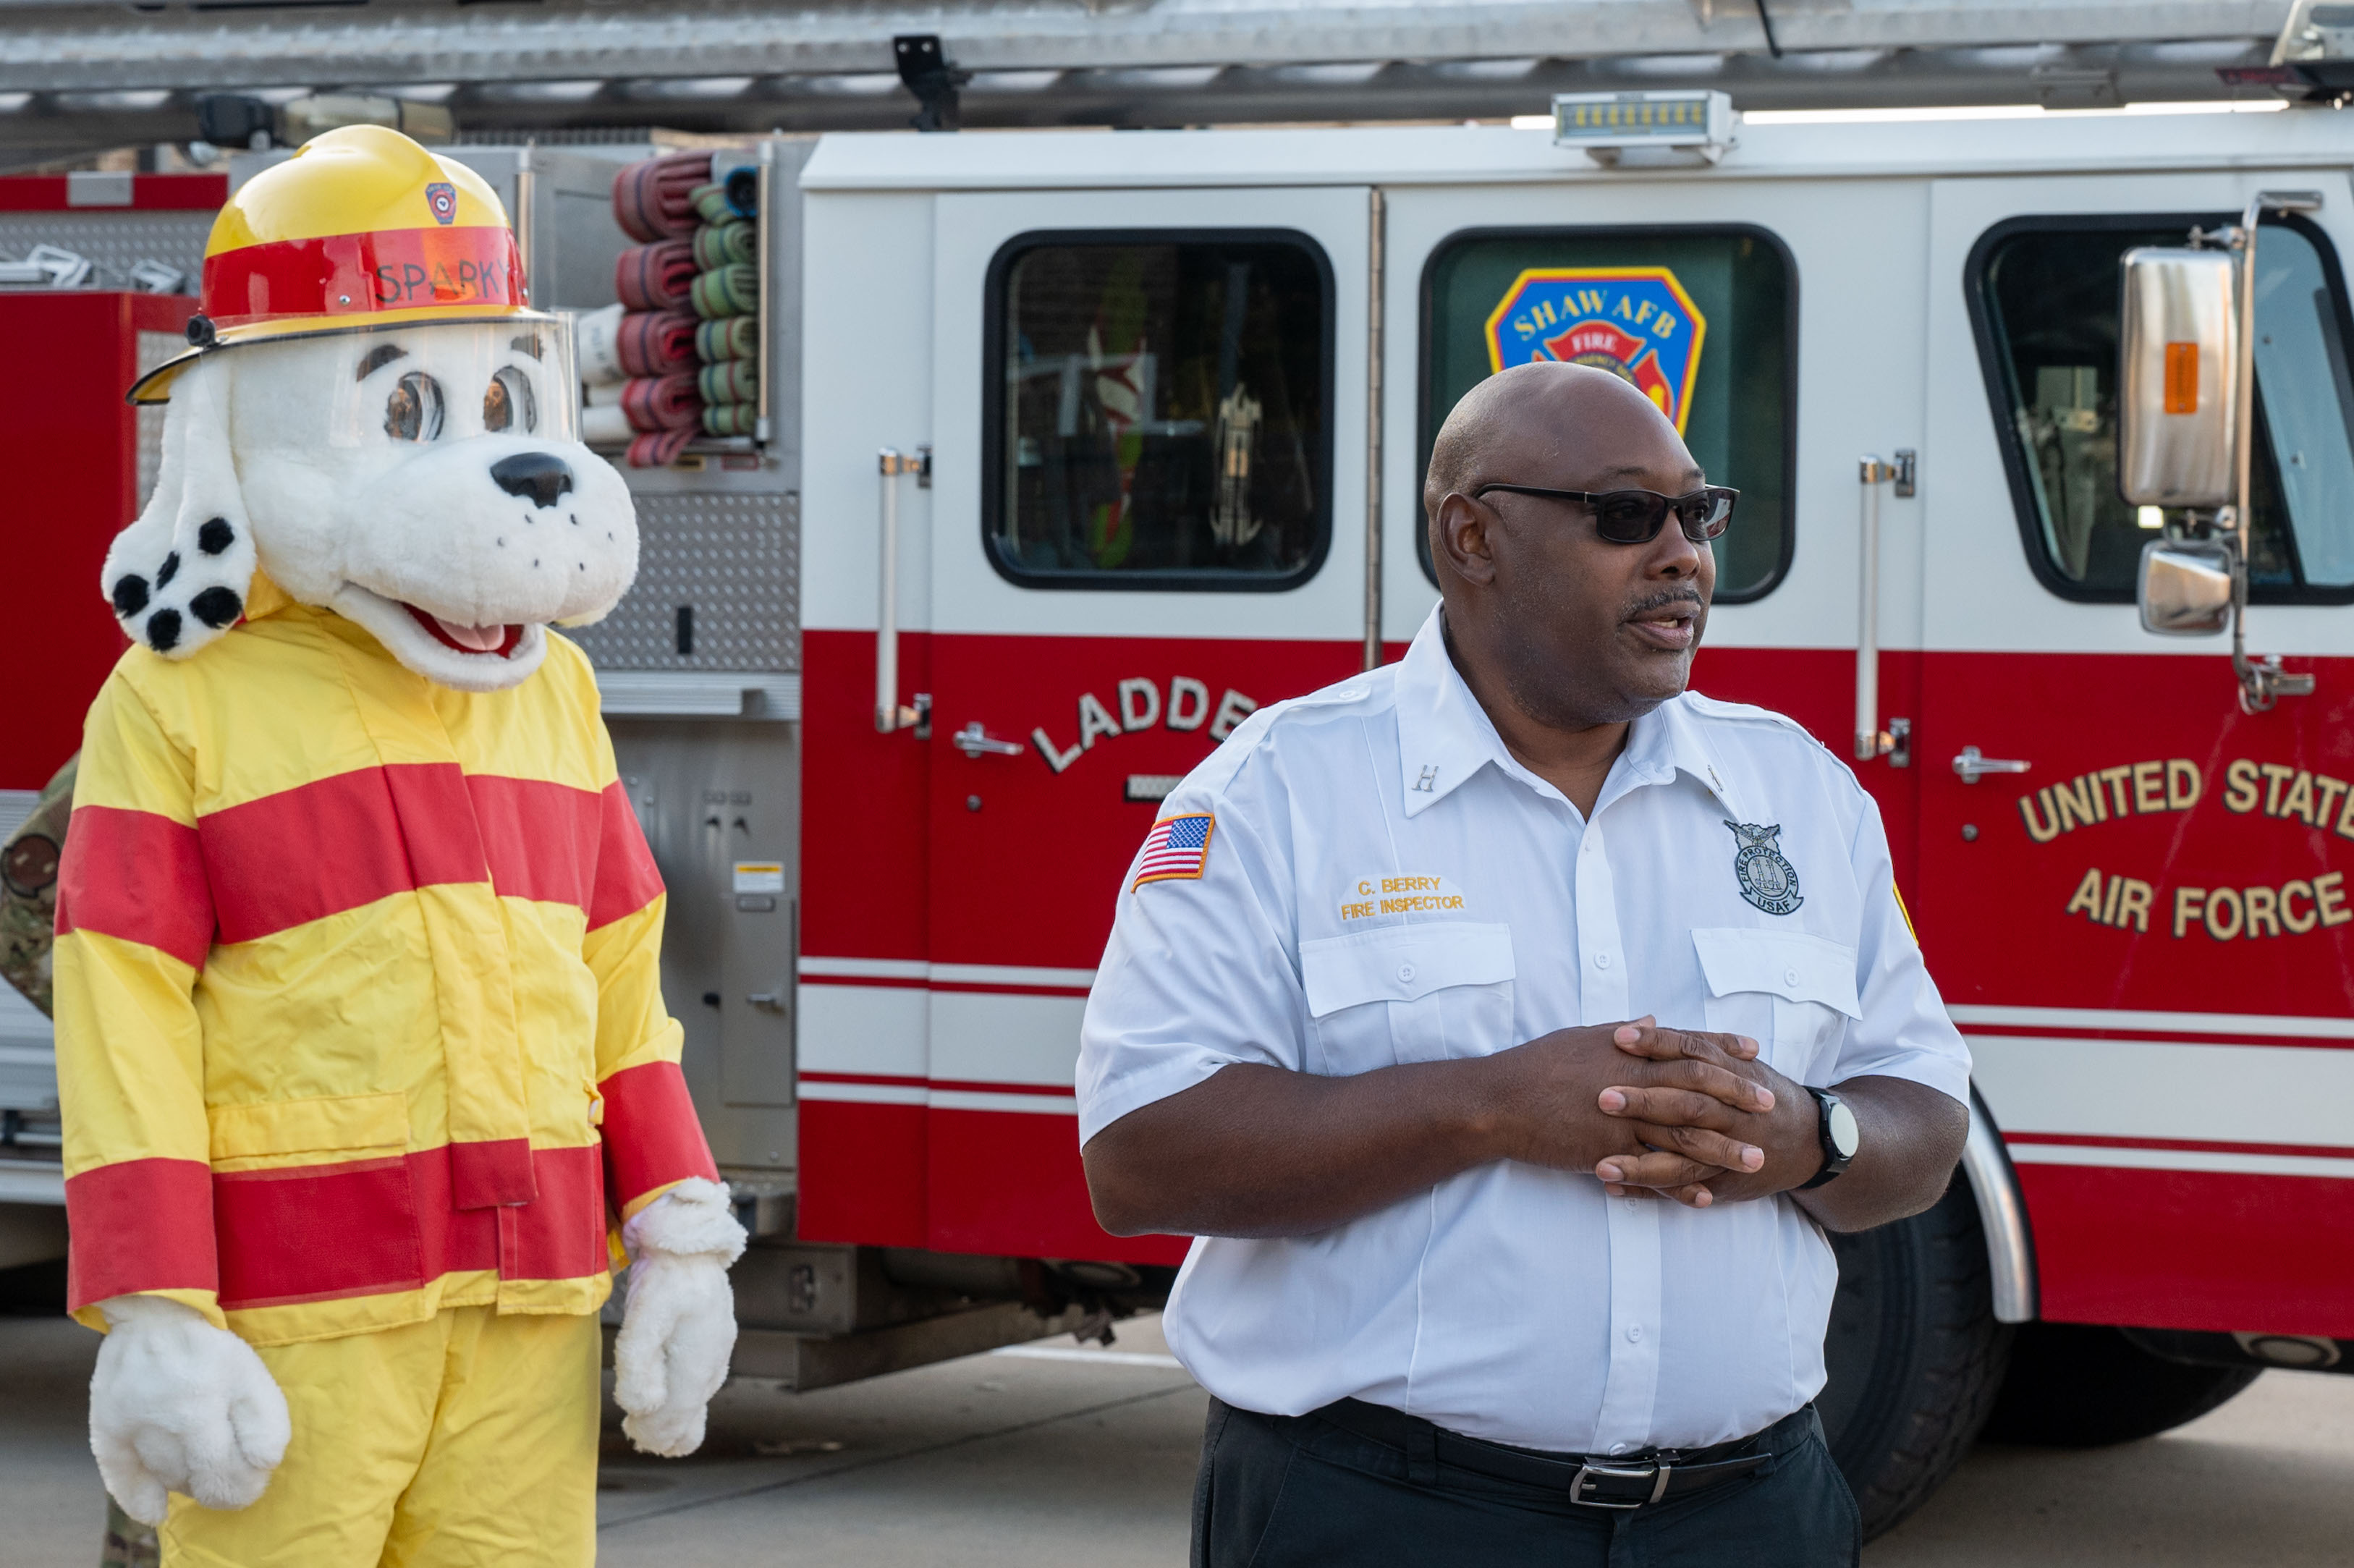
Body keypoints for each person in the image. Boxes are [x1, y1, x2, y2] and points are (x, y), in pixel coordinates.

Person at [1077, 361, 1971, 1567]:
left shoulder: (1800, 796)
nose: (1680, 556)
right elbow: (1140, 1157)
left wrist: (1811, 1138)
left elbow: (1921, 1111)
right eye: (1622, 515)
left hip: (1753, 1520)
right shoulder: (1278, 793)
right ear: (1472, 537)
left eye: (1697, 514)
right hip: (1386, 1518)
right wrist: (1487, 1108)